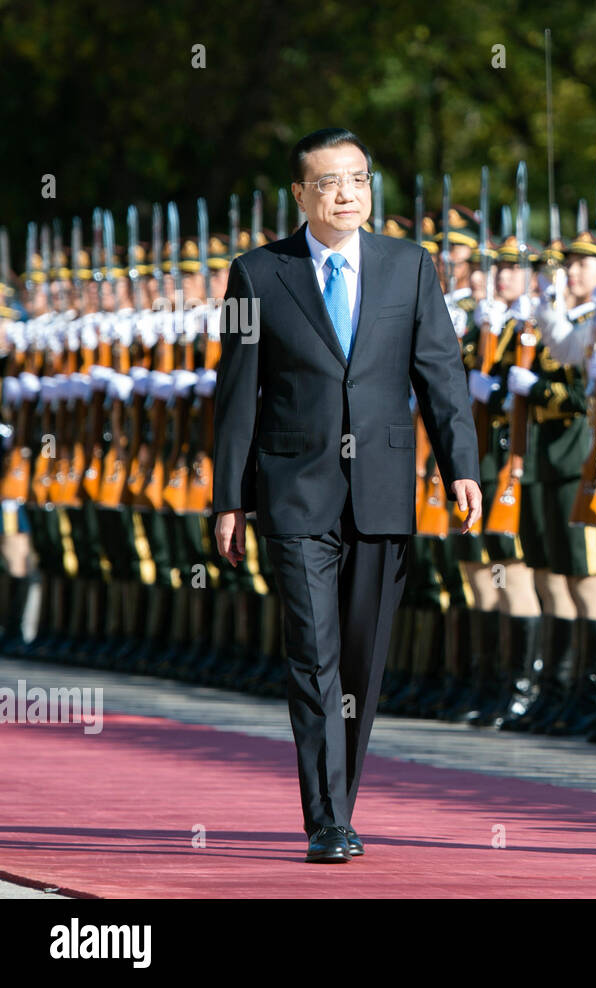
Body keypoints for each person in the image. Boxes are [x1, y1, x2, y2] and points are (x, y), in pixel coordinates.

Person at [212, 128, 482, 864]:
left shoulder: (409, 266)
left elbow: (441, 373)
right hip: (294, 491)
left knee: (362, 660)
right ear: (300, 194)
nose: (345, 194)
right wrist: (230, 498)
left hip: (383, 489)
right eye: (328, 182)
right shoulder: (256, 274)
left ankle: (342, 801)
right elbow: (236, 392)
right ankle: (327, 819)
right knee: (313, 652)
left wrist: (461, 466)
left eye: (358, 179)